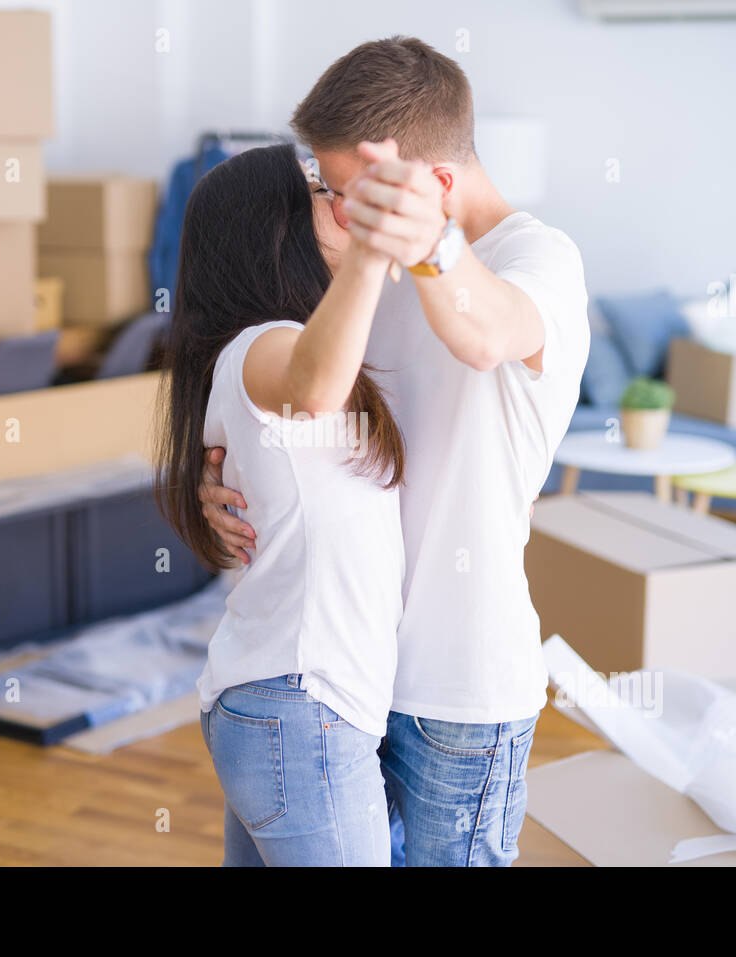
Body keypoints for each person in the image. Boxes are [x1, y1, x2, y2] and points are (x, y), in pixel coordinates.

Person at [200, 37, 590, 866]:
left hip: (459, 693)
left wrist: (428, 246)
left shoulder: (537, 260)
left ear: (434, 186)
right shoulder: (363, 274)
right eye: (333, 193)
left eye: (355, 195)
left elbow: (487, 333)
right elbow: (310, 405)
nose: (341, 216)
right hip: (346, 682)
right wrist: (225, 484)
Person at [155, 142, 407, 866]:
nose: (342, 204)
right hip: (300, 710)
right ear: (277, 232)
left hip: (284, 708)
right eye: (322, 193)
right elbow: (315, 387)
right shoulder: (266, 345)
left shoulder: (264, 350)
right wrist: (369, 247)